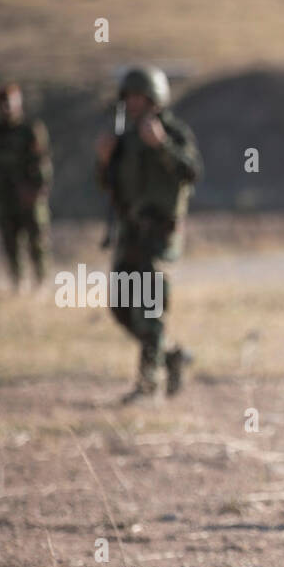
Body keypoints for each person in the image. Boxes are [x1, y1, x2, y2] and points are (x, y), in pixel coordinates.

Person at [95, 65, 201, 402]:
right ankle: (172, 355)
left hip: (159, 235)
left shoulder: (174, 132)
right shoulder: (123, 139)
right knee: (122, 308)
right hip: (130, 235)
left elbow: (191, 172)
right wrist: (103, 160)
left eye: (140, 97)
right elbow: (107, 186)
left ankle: (147, 386)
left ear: (156, 99)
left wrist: (162, 145)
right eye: (129, 97)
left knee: (150, 308)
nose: (134, 103)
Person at [0, 83, 52, 290]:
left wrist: (37, 190)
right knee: (10, 243)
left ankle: (41, 282)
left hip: (29, 197)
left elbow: (42, 161)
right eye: (2, 104)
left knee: (37, 242)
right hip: (6, 198)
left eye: (9, 103)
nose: (6, 108)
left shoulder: (30, 130)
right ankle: (17, 283)